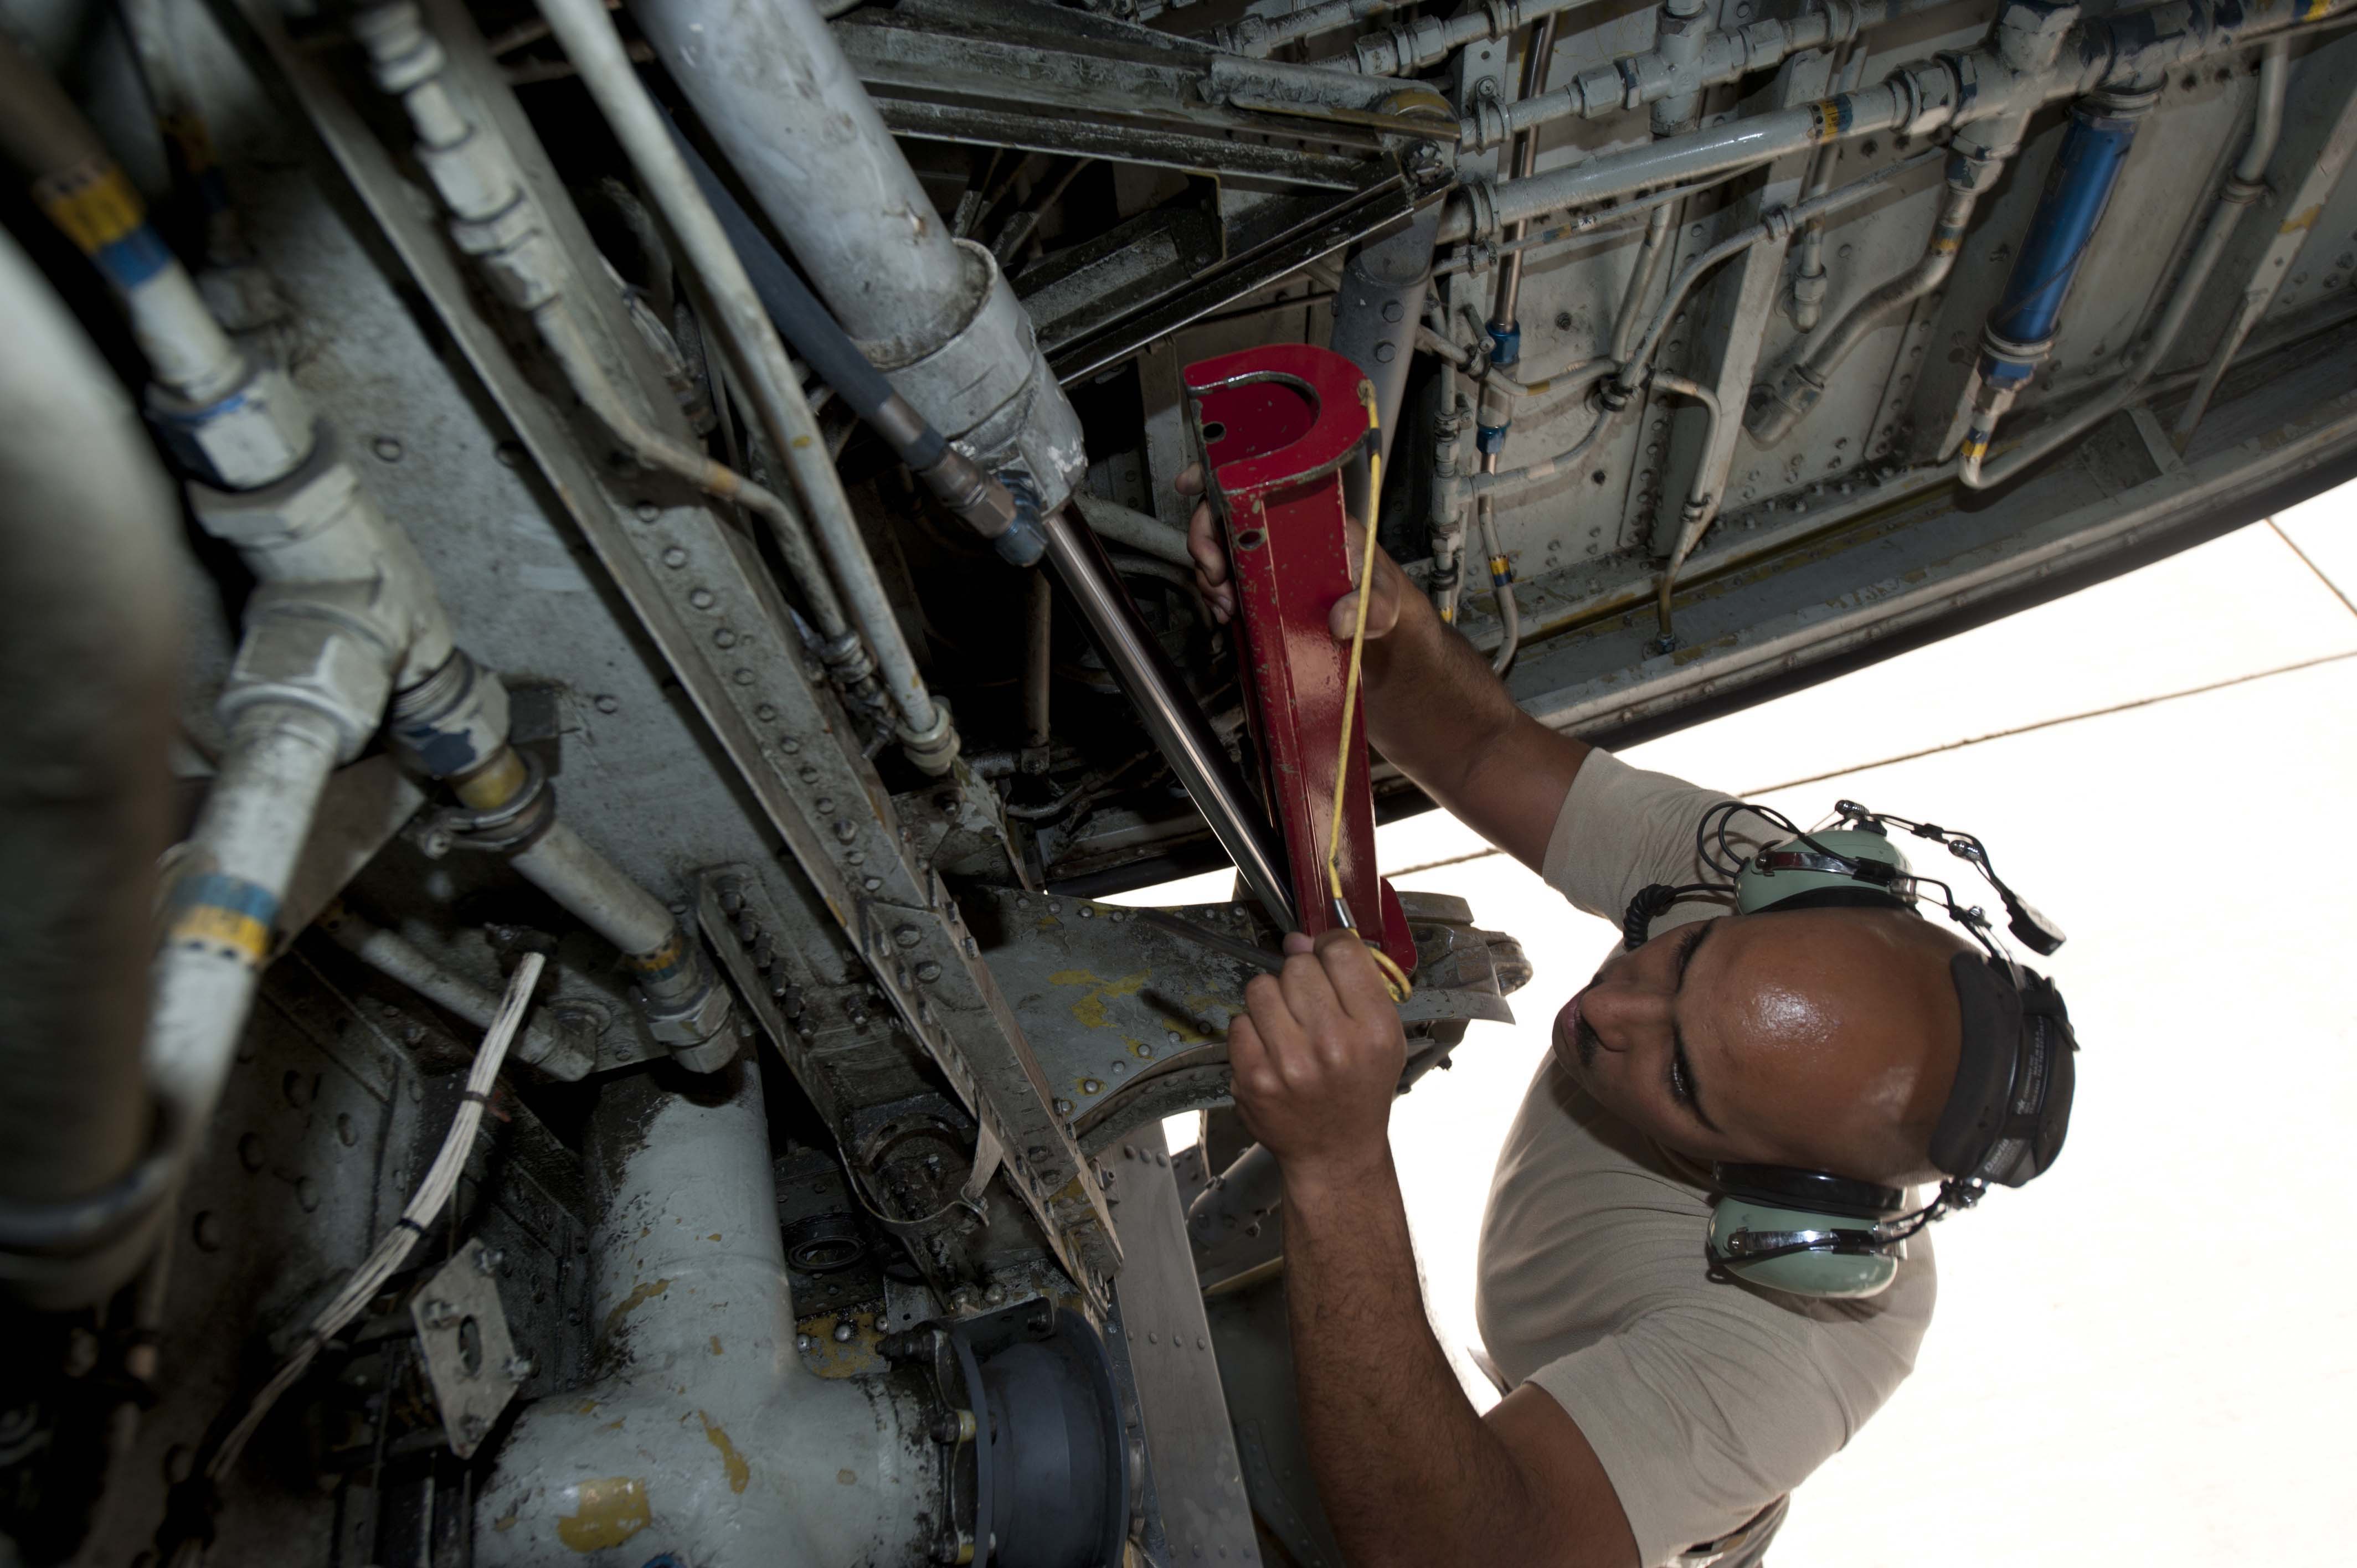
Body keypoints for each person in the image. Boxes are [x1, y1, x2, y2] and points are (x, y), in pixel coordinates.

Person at [1179, 467, 2053, 1568]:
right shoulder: (1747, 875)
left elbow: (1463, 1557)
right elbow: (1484, 750)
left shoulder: (1798, 1351)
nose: (1608, 1005)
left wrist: (1341, 1166)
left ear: (1778, 1207)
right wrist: (1379, 633)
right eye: (1684, 953)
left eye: (1683, 1075)